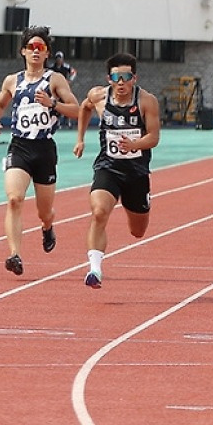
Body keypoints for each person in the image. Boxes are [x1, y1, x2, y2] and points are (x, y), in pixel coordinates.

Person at [0, 26, 80, 276]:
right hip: (19, 146)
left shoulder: (55, 79)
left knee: (44, 211)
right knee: (14, 199)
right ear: (23, 52)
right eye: (31, 47)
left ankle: (47, 226)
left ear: (47, 52)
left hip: (44, 149)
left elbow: (77, 109)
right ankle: (14, 255)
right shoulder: (12, 80)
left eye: (40, 47)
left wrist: (53, 104)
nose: (36, 51)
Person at [73, 53, 161, 288]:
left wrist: (135, 145)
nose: (121, 82)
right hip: (108, 167)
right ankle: (94, 269)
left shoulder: (146, 101)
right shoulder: (98, 96)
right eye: (116, 77)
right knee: (99, 212)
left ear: (134, 77)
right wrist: (80, 139)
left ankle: (136, 204)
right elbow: (84, 107)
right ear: (109, 78)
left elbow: (154, 137)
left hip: (136, 173)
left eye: (126, 77)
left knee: (138, 232)